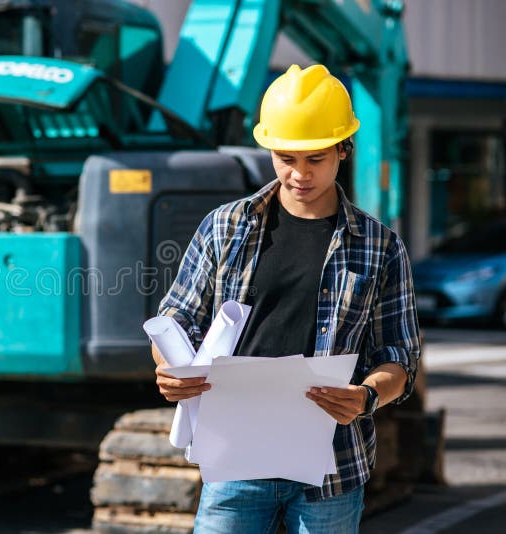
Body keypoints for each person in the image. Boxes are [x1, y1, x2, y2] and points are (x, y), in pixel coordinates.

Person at [152, 64, 421, 533]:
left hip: (332, 469)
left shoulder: (380, 247)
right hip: (234, 458)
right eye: (285, 158)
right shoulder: (225, 227)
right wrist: (171, 369)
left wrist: (366, 396)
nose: (299, 174)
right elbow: (177, 316)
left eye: (314, 158)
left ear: (343, 149)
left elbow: (399, 357)